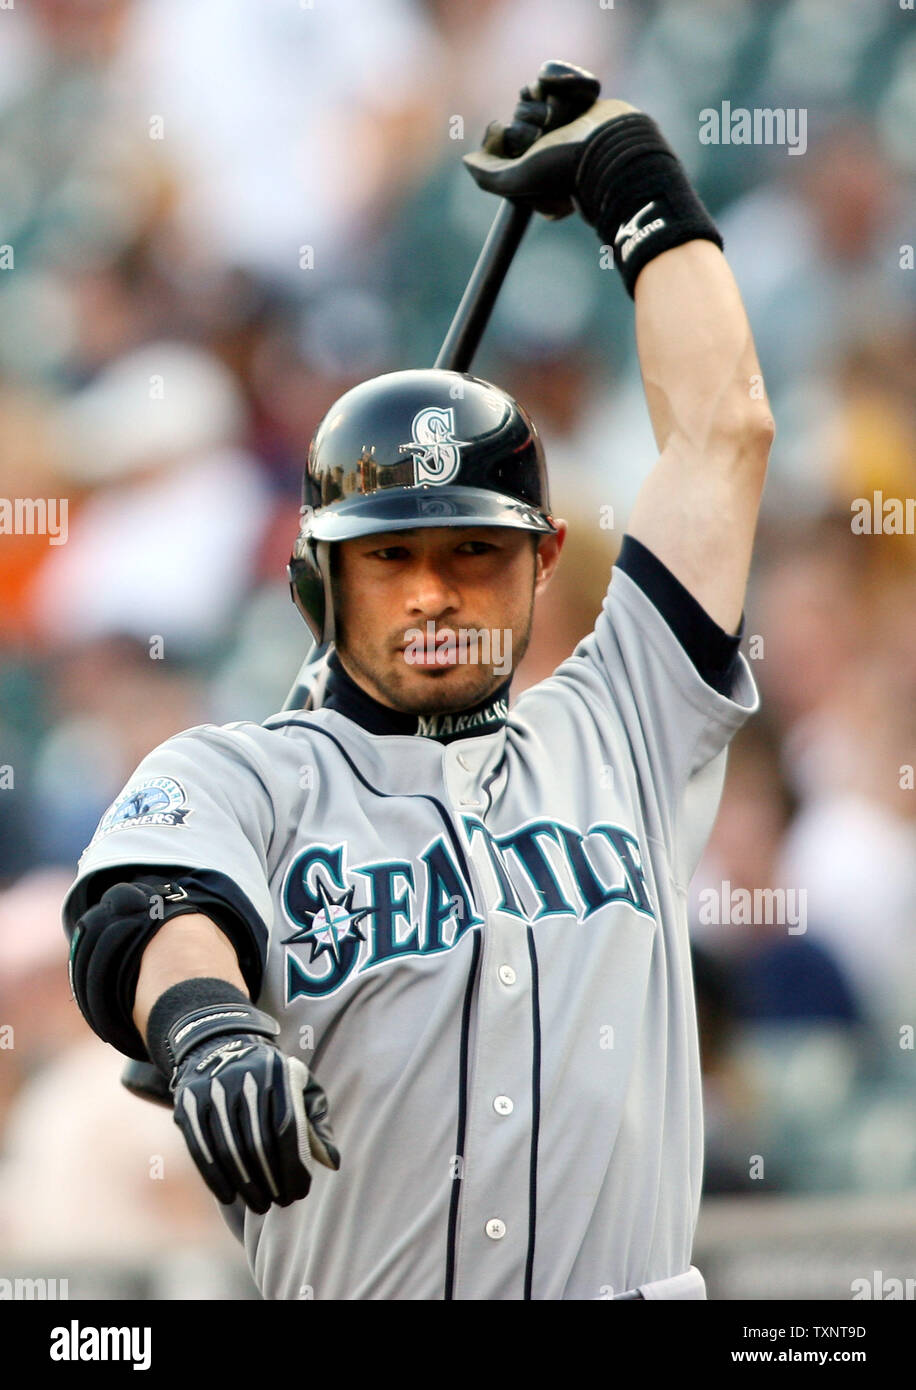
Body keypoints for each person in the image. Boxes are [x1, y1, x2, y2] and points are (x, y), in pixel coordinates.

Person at [62, 69, 774, 1300]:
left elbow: (726, 430)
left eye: (473, 551)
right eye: (390, 556)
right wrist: (206, 1023)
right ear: (314, 587)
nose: (435, 592)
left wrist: (634, 182)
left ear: (542, 561)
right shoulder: (243, 773)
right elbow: (149, 906)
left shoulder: (624, 725)